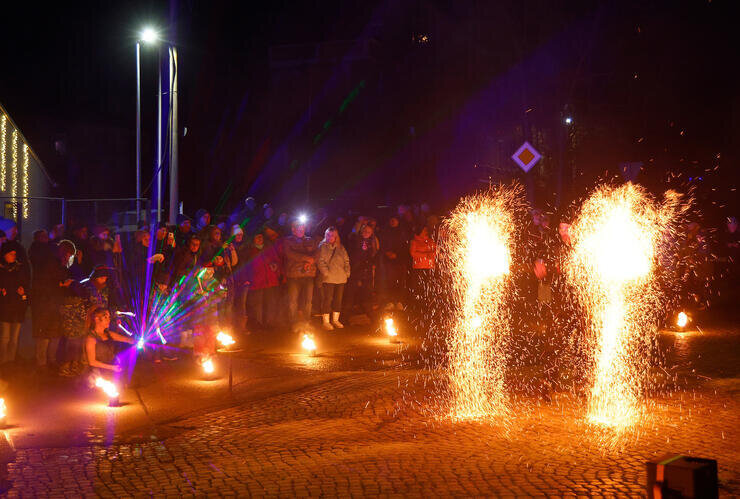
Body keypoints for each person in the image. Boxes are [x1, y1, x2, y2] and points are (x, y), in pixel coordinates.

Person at [283, 219, 318, 325]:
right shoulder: (288, 241)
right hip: (294, 275)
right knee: (293, 301)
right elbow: (289, 254)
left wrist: (311, 261)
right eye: (298, 228)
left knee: (308, 300)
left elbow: (317, 253)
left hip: (309, 274)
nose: (301, 230)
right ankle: (293, 322)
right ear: (293, 229)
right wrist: (306, 258)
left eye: (302, 228)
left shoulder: (310, 240)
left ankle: (306, 322)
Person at [84, 307, 134, 381]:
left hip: (112, 371)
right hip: (98, 375)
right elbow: (92, 362)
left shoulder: (109, 334)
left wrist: (141, 340)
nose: (109, 320)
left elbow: (128, 340)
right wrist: (112, 367)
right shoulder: (91, 339)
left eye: (109, 317)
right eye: (105, 317)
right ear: (97, 319)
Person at [244, 232, 281, 330]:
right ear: (253, 239)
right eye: (257, 237)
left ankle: (269, 323)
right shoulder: (250, 251)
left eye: (261, 237)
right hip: (257, 281)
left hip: (270, 280)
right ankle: (258, 324)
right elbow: (247, 266)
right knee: (257, 304)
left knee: (270, 303)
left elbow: (277, 260)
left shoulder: (269, 248)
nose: (260, 239)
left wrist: (275, 266)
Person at [0, 244, 29, 366]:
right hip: (5, 307)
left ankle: (10, 362)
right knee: (5, 338)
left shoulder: (19, 268)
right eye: (11, 254)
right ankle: (3, 361)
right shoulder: (2, 269)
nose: (13, 256)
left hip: (17, 308)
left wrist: (23, 292)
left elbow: (24, 283)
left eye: (14, 254)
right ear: (4, 255)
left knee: (14, 338)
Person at [317, 227, 350, 330]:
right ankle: (326, 321)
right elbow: (320, 261)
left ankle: (335, 320)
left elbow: (346, 260)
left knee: (338, 299)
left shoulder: (340, 247)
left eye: (333, 235)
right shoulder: (322, 247)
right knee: (327, 299)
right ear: (325, 235)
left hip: (340, 277)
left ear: (336, 236)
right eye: (328, 235)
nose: (330, 237)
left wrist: (347, 272)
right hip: (328, 278)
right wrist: (326, 273)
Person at [345, 223, 378, 322]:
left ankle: (369, 316)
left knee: (366, 294)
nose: (366, 233)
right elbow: (353, 254)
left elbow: (372, 256)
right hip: (355, 271)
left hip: (366, 272)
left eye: (368, 232)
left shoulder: (371, 243)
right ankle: (346, 317)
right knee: (350, 295)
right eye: (364, 231)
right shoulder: (354, 240)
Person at [379, 216, 408, 310]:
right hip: (388, 261)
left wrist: (397, 255)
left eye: (394, 220)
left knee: (400, 282)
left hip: (400, 261)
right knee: (390, 282)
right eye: (391, 220)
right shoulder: (386, 232)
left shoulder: (402, 232)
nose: (392, 222)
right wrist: (387, 253)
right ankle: (390, 301)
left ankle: (399, 301)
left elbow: (405, 246)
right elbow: (382, 245)